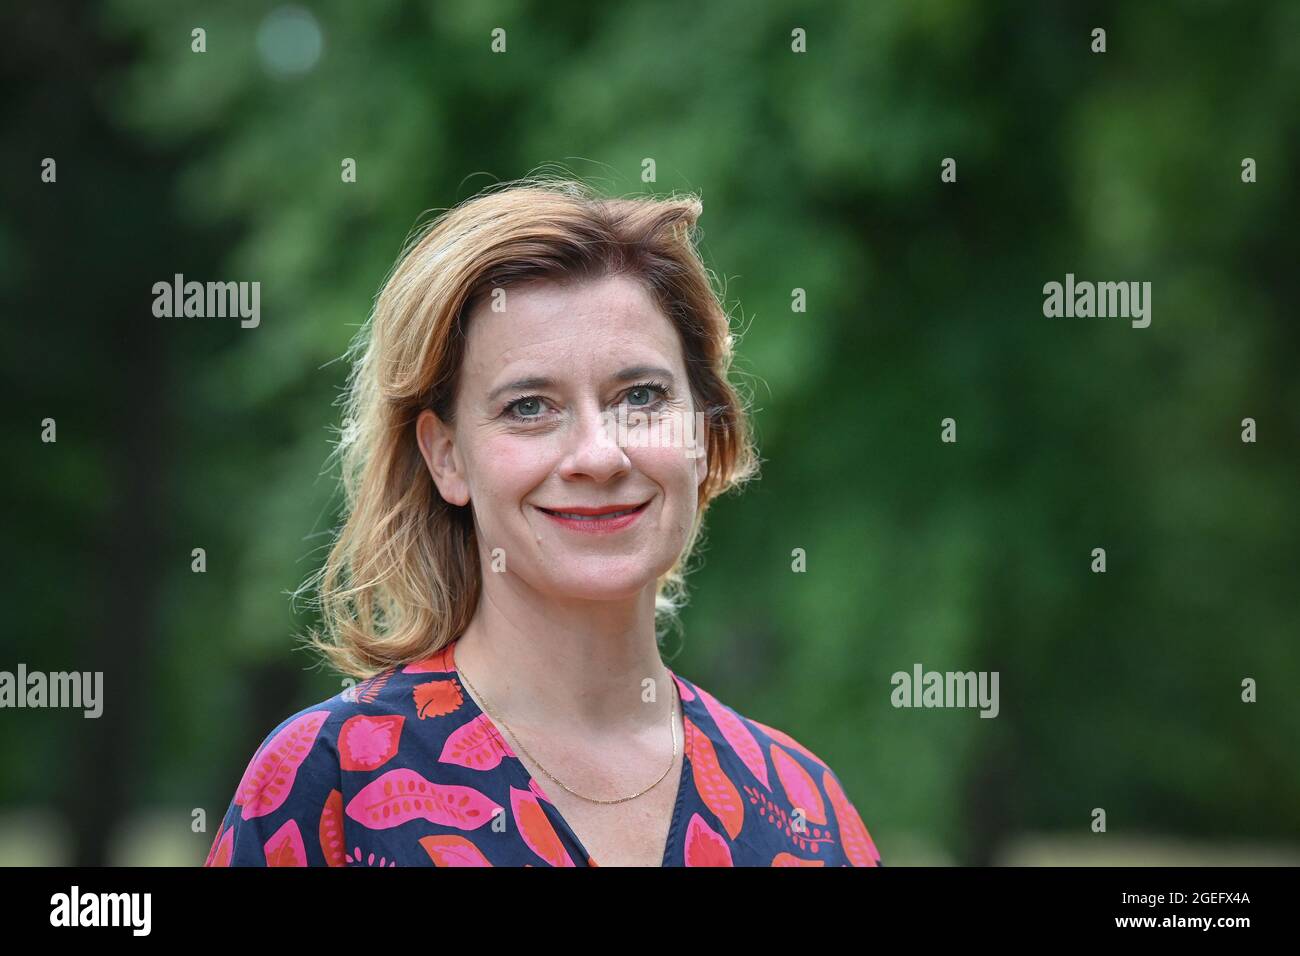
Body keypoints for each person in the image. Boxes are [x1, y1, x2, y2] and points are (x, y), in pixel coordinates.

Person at [203, 176, 882, 867]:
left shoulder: (803, 806)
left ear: (704, 432)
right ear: (446, 458)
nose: (598, 455)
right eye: (530, 406)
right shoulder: (331, 784)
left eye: (641, 396)